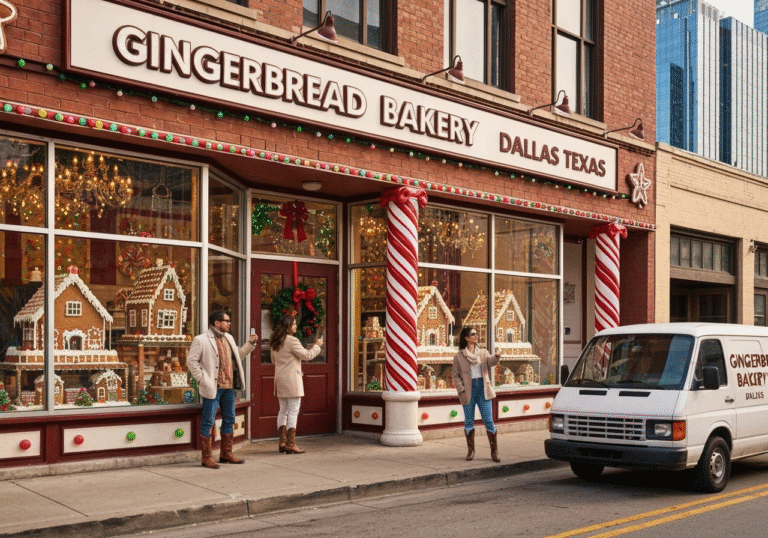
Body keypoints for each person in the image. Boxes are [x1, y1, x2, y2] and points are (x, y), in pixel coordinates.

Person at [187, 310, 258, 469]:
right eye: (226, 320)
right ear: (217, 323)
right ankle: (206, 457)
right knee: (208, 421)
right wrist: (204, 379)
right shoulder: (201, 340)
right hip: (213, 388)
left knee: (230, 419)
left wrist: (250, 344)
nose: (229, 323)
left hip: (229, 387)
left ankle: (226, 453)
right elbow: (191, 362)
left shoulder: (229, 338)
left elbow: (238, 355)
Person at [270, 314, 323, 454]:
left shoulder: (275, 341)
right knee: (293, 411)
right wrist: (317, 346)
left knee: (283, 410)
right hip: (292, 380)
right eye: (293, 324)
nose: (295, 326)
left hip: (280, 379)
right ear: (288, 326)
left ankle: (282, 442)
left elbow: (273, 361)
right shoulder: (292, 340)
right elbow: (307, 355)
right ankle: (291, 444)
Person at [452, 326, 501, 463]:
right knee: (469, 421)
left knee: (488, 419)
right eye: (473, 334)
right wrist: (461, 389)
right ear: (466, 338)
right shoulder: (459, 356)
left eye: (476, 334)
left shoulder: (483, 352)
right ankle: (471, 451)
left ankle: (494, 451)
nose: (476, 336)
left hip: (483, 389)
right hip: (468, 390)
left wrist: (496, 357)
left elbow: (491, 362)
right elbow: (455, 375)